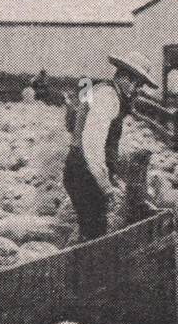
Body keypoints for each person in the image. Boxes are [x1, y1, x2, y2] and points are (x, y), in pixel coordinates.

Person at [63, 52, 157, 241]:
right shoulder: (108, 98)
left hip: (83, 170)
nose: (137, 90)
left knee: (93, 228)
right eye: (136, 83)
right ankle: (85, 269)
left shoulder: (107, 93)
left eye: (139, 85)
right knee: (94, 232)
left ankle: (85, 265)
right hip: (84, 172)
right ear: (124, 77)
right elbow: (92, 144)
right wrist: (105, 185)